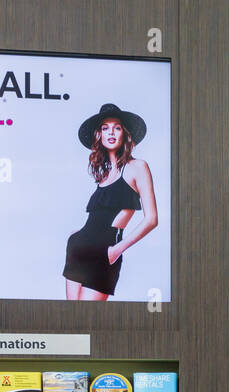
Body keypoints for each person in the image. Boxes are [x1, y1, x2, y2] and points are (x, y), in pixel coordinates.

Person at [63, 103, 159, 300]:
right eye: (105, 128)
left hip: (105, 253)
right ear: (99, 135)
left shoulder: (138, 167)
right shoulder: (105, 175)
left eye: (117, 127)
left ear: (125, 133)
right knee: (71, 321)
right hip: (77, 250)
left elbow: (152, 219)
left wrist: (116, 250)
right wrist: (76, 235)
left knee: (89, 321)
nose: (111, 132)